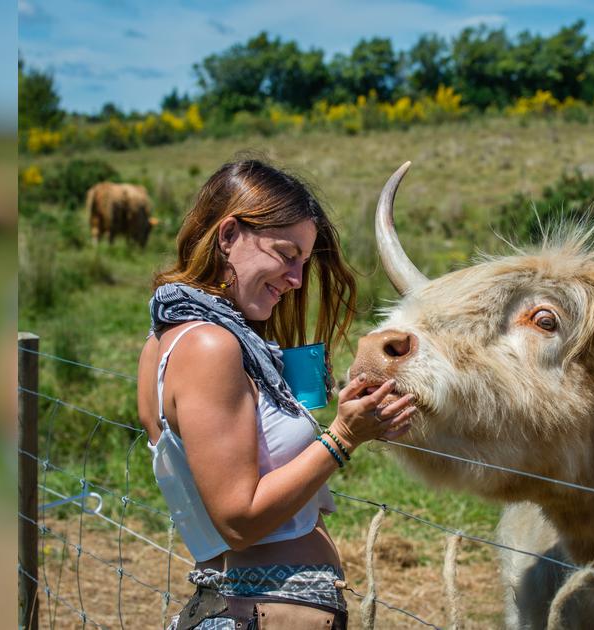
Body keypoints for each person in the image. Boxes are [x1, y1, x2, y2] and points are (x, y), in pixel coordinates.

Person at [137, 159, 416, 630]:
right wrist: (344, 436)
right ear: (228, 236)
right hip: (264, 613)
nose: (297, 279)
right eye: (287, 254)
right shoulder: (211, 346)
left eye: (304, 262)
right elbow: (238, 521)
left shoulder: (161, 341)